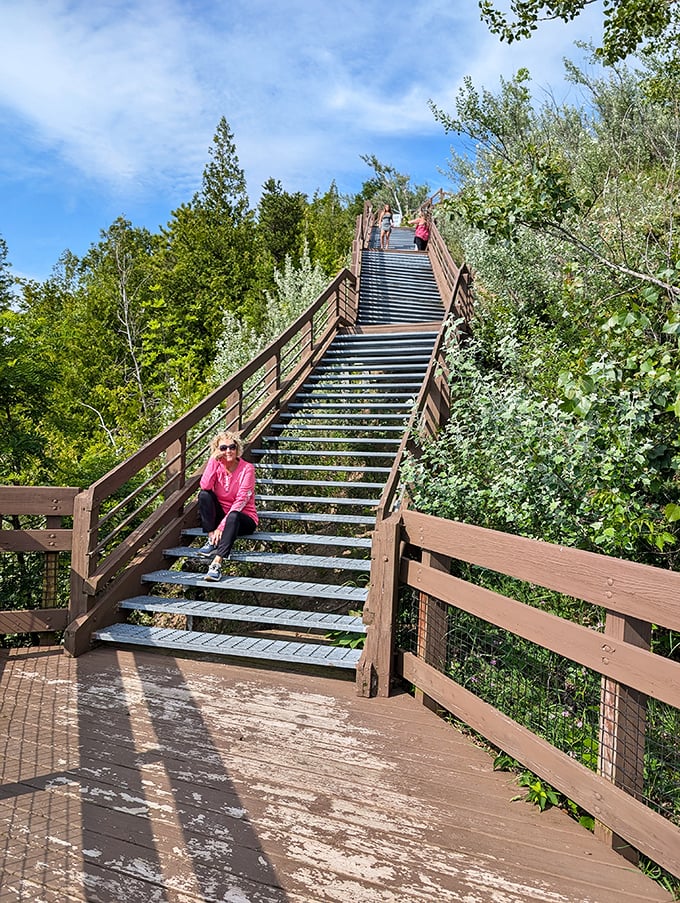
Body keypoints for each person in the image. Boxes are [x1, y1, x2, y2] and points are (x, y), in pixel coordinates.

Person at [194, 431, 258, 581]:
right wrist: (212, 461)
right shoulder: (217, 465)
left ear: (237, 449)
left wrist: (221, 527)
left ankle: (217, 563)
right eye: (223, 448)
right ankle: (211, 539)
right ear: (217, 450)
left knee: (234, 515)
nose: (228, 451)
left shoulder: (247, 468)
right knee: (204, 494)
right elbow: (205, 485)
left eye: (232, 447)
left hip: (243, 518)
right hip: (222, 516)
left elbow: (241, 501)